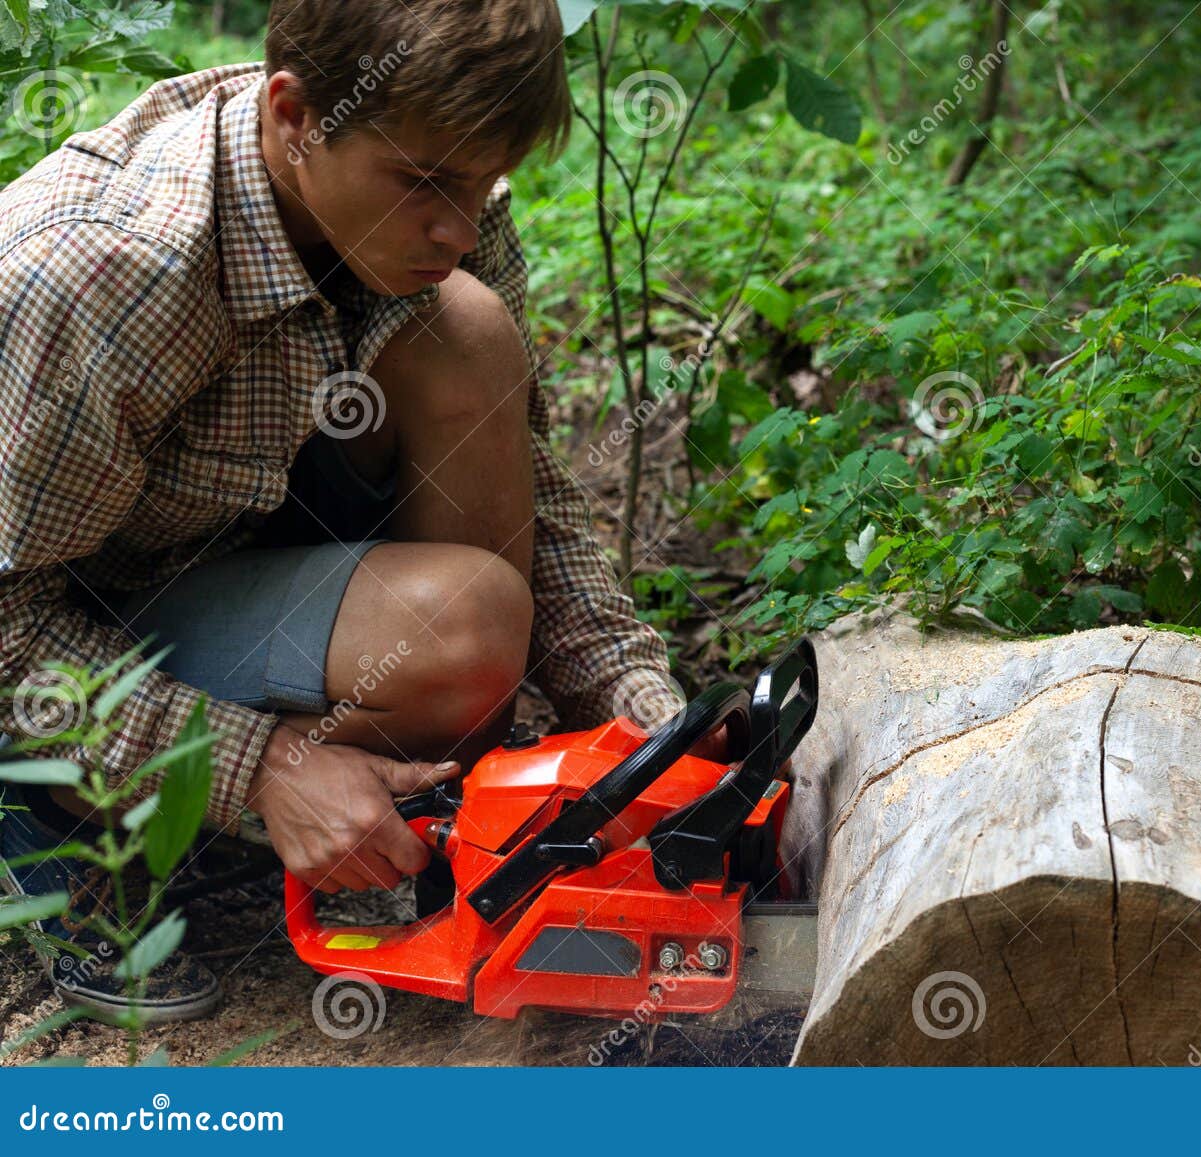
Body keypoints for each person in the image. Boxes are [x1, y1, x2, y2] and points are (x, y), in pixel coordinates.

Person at [0, 0, 720, 1025]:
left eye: (481, 186)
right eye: (425, 184)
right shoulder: (108, 276)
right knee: (456, 626)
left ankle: (459, 834)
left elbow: (523, 475)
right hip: (49, 627)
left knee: (466, 334)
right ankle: (50, 815)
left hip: (212, 551)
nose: (461, 227)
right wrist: (267, 768)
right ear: (293, 116)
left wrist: (637, 710)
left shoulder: (434, 182)